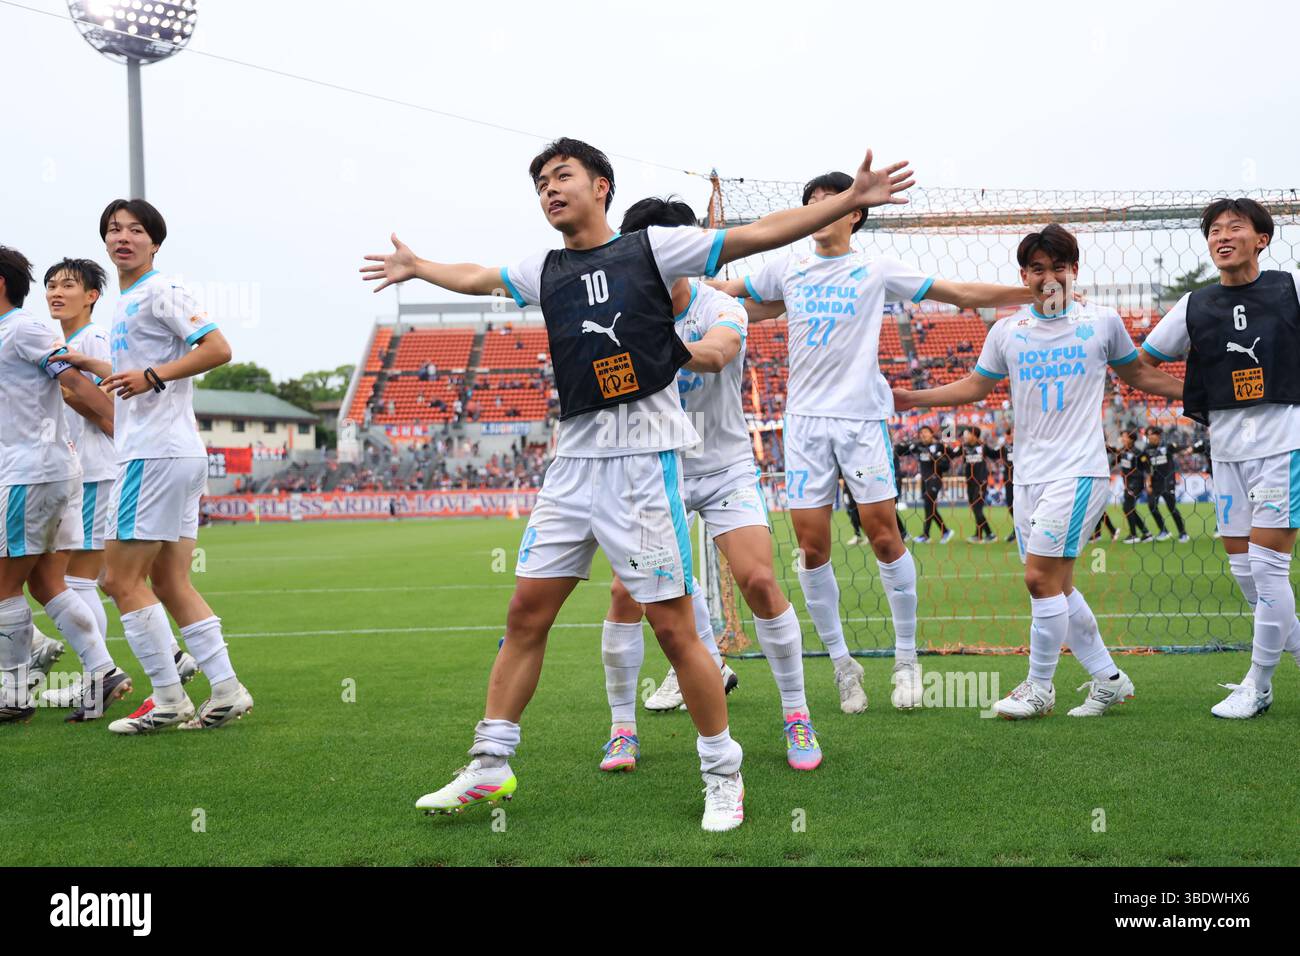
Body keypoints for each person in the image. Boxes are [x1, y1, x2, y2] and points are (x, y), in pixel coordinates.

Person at [363, 138, 914, 829]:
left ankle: (723, 772)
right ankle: (491, 764)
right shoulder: (545, 267)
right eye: (539, 183)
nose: (548, 189)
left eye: (561, 175)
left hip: (644, 463)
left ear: (601, 185)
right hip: (572, 466)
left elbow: (754, 235)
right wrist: (419, 267)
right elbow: (480, 276)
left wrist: (847, 201)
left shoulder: (651, 248)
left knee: (675, 627)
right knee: (525, 616)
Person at [714, 170, 1039, 711]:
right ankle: (844, 666)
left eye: (831, 201)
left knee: (884, 537)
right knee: (812, 549)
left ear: (855, 211)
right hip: (804, 425)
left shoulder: (875, 267)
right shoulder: (787, 264)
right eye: (811, 202)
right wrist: (671, 288)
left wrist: (1032, 291)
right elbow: (734, 296)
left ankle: (907, 659)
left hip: (861, 420)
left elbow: (957, 292)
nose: (819, 209)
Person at [894, 224, 1185, 718]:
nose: (1048, 277)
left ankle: (1039, 687)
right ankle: (1109, 679)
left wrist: (1200, 393)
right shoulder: (1007, 331)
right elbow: (974, 386)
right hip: (1027, 476)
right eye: (1037, 269)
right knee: (1058, 585)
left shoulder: (1102, 321)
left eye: (1058, 267)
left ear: (1074, 271)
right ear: (1024, 276)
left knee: (1037, 579)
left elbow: (1139, 374)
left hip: (1078, 473)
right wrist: (910, 398)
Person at [599, 197, 820, 774]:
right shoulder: (616, 313)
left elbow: (717, 356)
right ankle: (622, 730)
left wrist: (653, 348)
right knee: (627, 596)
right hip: (651, 469)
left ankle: (796, 714)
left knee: (760, 581)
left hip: (723, 468)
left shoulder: (720, 305)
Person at [61, 199, 251, 733]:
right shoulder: (127, 302)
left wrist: (153, 375)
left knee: (117, 579)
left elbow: (217, 348)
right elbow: (136, 369)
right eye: (113, 230)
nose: (123, 237)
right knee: (168, 581)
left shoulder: (161, 289)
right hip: (174, 453)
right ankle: (227, 689)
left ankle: (168, 698)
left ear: (155, 242)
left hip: (155, 453)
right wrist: (98, 365)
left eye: (136, 230)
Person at [1139, 198, 1300, 718]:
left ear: (1263, 240)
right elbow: (1141, 364)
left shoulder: (1290, 287)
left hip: (1283, 443)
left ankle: (1257, 683)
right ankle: (1269, 670)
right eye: (1214, 230)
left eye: (1236, 227)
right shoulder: (1193, 305)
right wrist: (1195, 391)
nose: (1222, 236)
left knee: (1268, 569)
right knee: (1248, 577)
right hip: (1227, 451)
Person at [0, 246, 123, 723]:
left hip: (33, 473)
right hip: (46, 470)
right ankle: (103, 670)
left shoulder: (23, 329)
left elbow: (72, 381)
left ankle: (11, 696)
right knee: (48, 581)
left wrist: (118, 426)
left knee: (5, 587)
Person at [900, 425, 952, 543]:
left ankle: (926, 534)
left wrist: (941, 453)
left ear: (931, 433)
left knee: (929, 503)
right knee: (929, 507)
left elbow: (948, 460)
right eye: (921, 433)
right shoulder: (918, 446)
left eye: (926, 432)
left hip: (935, 479)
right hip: (924, 480)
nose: (923, 435)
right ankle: (944, 531)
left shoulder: (939, 446)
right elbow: (904, 451)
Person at [950, 425, 998, 542]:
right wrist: (945, 446)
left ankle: (990, 534)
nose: (965, 436)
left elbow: (996, 454)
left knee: (977, 508)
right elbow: (952, 454)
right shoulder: (964, 447)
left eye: (967, 434)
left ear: (974, 435)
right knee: (974, 508)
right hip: (970, 481)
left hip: (981, 481)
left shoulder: (983, 447)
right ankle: (979, 534)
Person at [1143, 425, 1190, 542]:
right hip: (1155, 482)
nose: (1149, 437)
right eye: (1147, 435)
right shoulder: (1147, 449)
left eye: (1151, 434)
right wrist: (1148, 483)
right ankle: (1163, 530)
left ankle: (1183, 533)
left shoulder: (1167, 446)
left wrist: (1188, 450)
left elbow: (1181, 448)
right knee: (1151, 506)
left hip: (1168, 481)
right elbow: (1147, 468)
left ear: (1158, 435)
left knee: (1171, 508)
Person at [1114, 430, 1154, 543]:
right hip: (1128, 484)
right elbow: (1115, 461)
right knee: (1129, 508)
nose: (1122, 439)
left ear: (1131, 439)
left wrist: (1148, 483)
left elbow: (1148, 468)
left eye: (1125, 437)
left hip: (1136, 483)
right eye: (1122, 437)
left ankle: (1133, 535)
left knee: (1127, 507)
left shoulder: (1138, 453)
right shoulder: (1123, 451)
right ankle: (1146, 533)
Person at [999, 428, 1017, 542]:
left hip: (1023, 481)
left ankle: (1022, 531)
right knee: (1010, 506)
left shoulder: (1024, 446)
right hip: (1009, 480)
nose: (1009, 435)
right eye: (1008, 433)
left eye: (1011, 433)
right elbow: (993, 453)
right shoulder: (1004, 448)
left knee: (1024, 507)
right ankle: (1017, 530)